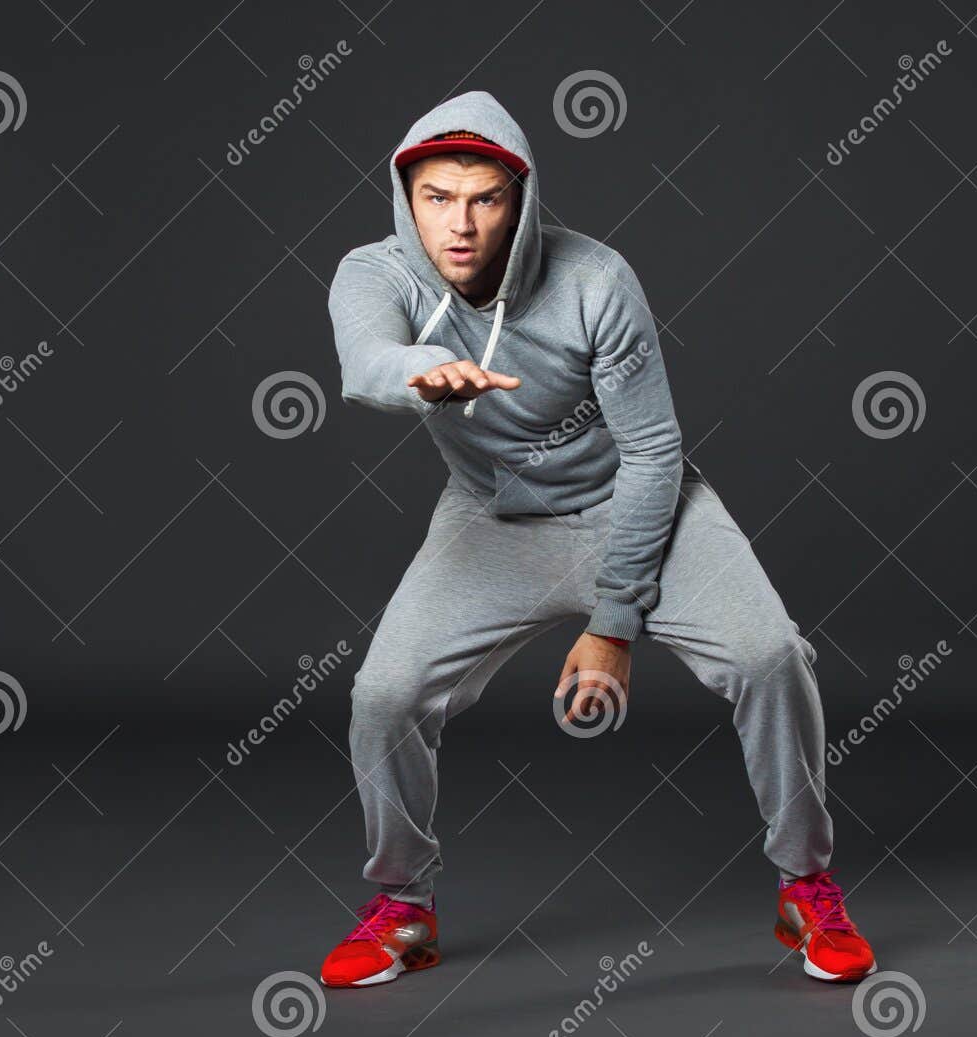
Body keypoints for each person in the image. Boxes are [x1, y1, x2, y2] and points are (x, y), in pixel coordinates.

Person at [319, 92, 875, 989]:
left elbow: (656, 451)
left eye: (485, 197)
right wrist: (427, 372)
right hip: (493, 518)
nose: (458, 224)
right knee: (383, 694)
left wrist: (613, 626)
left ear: (521, 197)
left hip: (642, 505)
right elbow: (364, 359)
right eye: (436, 197)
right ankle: (402, 907)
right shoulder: (376, 271)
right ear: (405, 195)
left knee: (773, 656)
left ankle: (806, 885)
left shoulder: (595, 279)